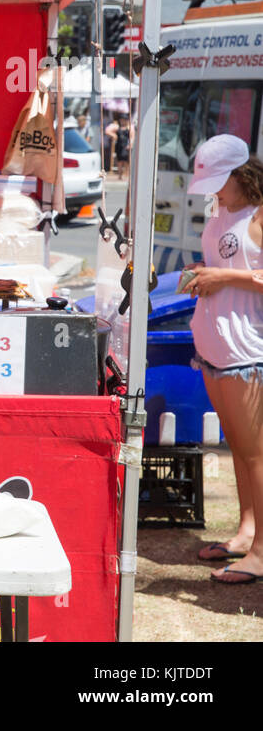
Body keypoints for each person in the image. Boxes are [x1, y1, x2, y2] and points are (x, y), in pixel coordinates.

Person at [181, 135, 263, 584]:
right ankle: (247, 532)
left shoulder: (259, 213)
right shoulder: (222, 211)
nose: (214, 191)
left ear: (241, 175)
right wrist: (205, 272)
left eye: (220, 183)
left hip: (247, 350)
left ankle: (261, 552)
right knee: (240, 448)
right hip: (216, 346)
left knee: (256, 454)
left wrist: (223, 276)